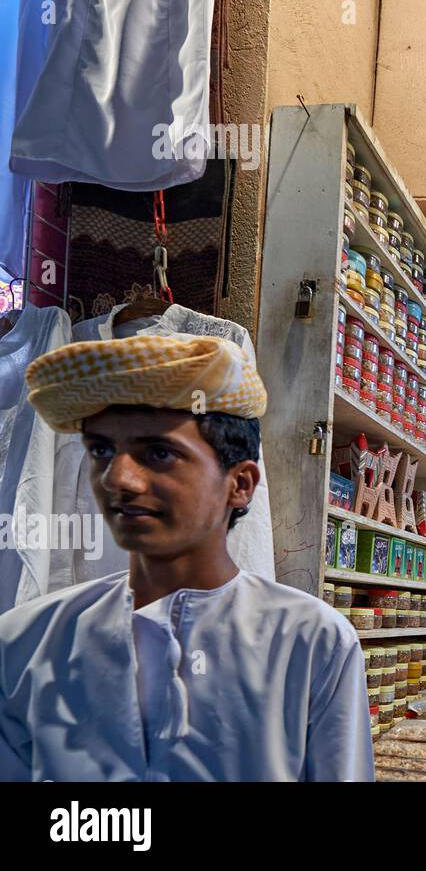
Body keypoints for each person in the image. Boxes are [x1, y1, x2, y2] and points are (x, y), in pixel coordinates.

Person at [0, 332, 373, 781]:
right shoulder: (25, 641)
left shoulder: (311, 641)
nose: (118, 478)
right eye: (102, 450)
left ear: (240, 484)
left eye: (159, 453)